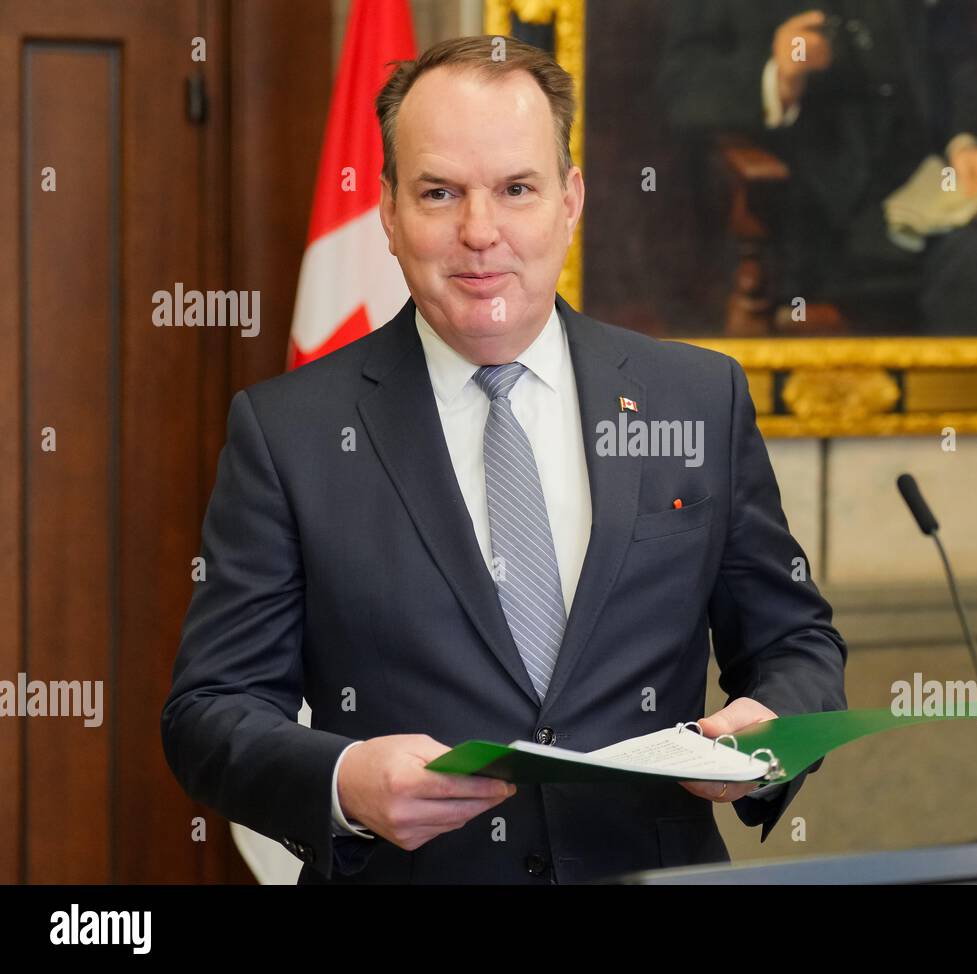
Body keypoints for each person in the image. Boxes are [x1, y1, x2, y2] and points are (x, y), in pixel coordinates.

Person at [161, 35, 847, 885]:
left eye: (516, 189)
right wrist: (344, 784)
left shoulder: (696, 399)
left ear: (571, 200)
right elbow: (209, 711)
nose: (478, 232)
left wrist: (769, 731)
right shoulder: (287, 431)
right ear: (387, 210)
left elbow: (797, 645)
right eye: (439, 192)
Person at [657, 0, 977, 335]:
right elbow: (681, 87)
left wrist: (964, 140)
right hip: (802, 228)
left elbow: (958, 54)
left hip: (925, 209)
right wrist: (779, 79)